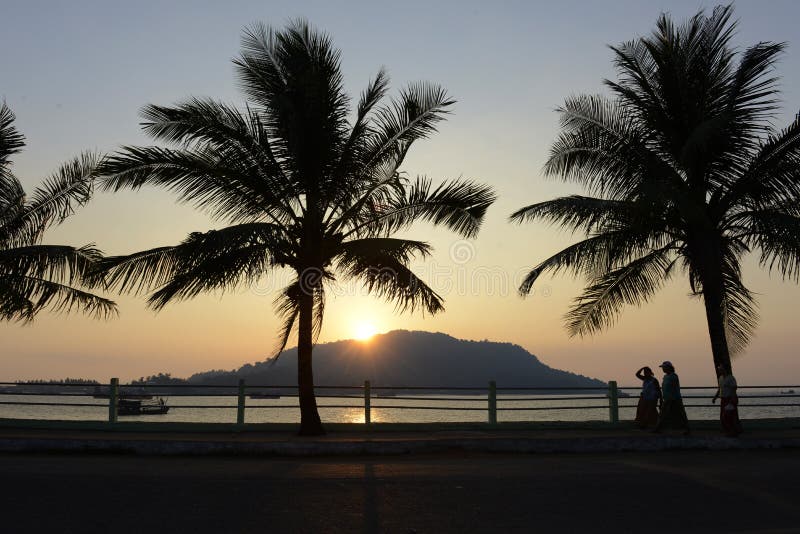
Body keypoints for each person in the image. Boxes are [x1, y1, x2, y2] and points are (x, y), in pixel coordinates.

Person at [653, 361, 690, 435]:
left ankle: (687, 429)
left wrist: (671, 398)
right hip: (667, 399)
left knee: (680, 414)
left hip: (675, 399)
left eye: (664, 367)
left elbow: (674, 388)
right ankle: (658, 428)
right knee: (663, 414)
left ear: (669, 368)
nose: (663, 369)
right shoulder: (665, 377)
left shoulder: (674, 376)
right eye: (662, 367)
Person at [712, 364, 742, 436]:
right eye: (719, 368)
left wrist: (733, 399)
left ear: (724, 369)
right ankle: (727, 431)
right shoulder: (720, 378)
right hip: (723, 399)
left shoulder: (730, 378)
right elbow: (719, 389)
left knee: (729, 416)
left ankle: (732, 431)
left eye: (721, 368)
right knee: (723, 416)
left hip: (729, 398)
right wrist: (715, 398)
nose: (719, 370)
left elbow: (734, 388)